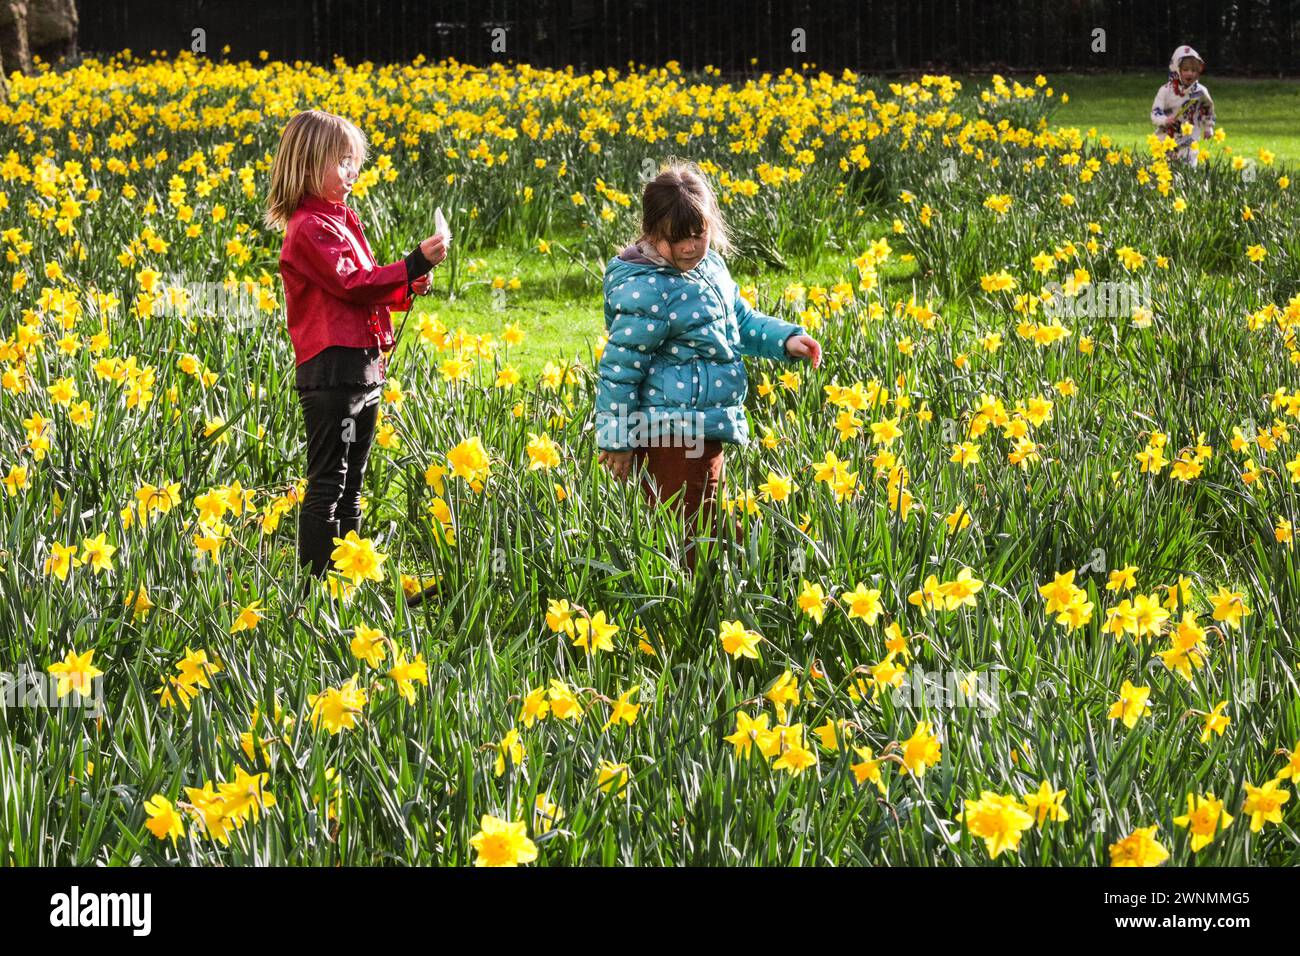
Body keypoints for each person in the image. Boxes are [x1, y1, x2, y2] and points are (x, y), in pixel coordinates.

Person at [594, 161, 822, 573]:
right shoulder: (647, 290)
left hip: (704, 422)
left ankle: (722, 590)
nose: (690, 247)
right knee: (697, 524)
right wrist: (617, 440)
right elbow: (619, 370)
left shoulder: (710, 267)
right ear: (651, 232)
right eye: (676, 239)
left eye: (698, 235)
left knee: (695, 519)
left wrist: (785, 340)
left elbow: (741, 320)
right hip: (673, 430)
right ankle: (722, 594)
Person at [265, 109, 447, 598]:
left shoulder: (341, 221)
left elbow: (368, 291)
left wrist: (410, 279)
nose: (353, 173)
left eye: (354, 163)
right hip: (333, 371)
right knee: (329, 483)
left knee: (352, 485)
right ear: (307, 164)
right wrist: (412, 263)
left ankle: (348, 586)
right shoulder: (309, 228)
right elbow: (351, 282)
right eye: (342, 162)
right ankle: (312, 593)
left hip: (364, 367)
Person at [1151, 45, 1216, 166]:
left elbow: (1208, 109)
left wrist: (1208, 127)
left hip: (1189, 139)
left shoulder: (1200, 91)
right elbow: (1155, 112)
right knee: (1163, 170)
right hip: (1166, 139)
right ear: (1177, 69)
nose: (1189, 73)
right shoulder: (1166, 91)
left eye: (1194, 70)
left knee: (1188, 170)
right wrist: (1165, 120)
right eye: (1185, 69)